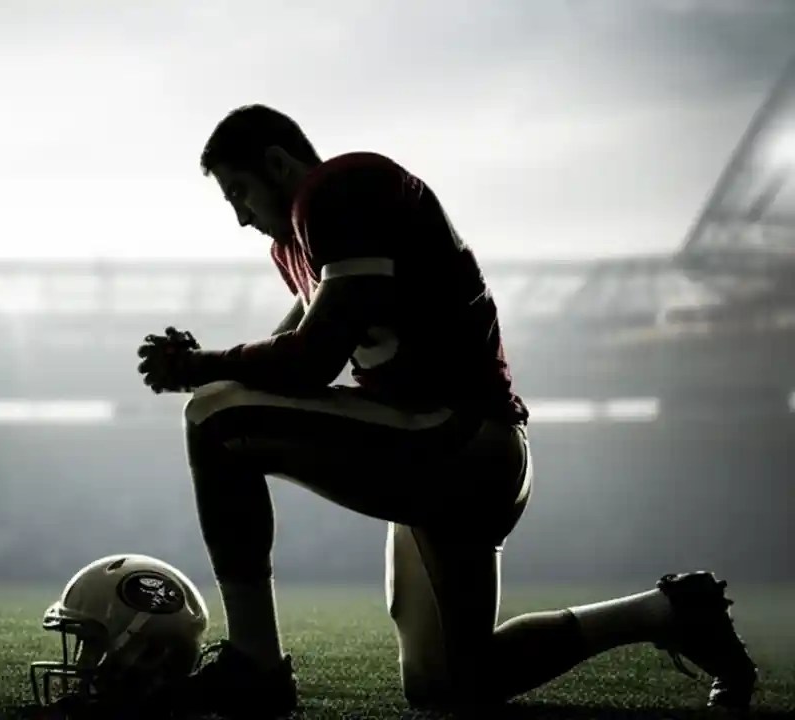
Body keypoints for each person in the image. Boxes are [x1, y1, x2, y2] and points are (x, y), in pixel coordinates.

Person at [135, 104, 757, 716]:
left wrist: (200, 368)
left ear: (276, 162)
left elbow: (308, 362)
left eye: (239, 193)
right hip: (452, 449)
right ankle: (670, 611)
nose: (241, 218)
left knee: (215, 420)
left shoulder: (340, 190)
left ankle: (255, 667)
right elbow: (288, 358)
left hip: (454, 437)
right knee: (452, 681)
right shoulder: (301, 239)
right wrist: (208, 362)